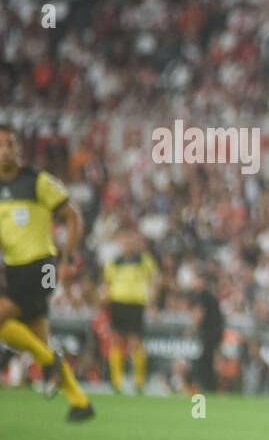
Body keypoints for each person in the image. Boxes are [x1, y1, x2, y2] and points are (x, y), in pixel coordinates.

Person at [0, 121, 94, 421]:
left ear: (19, 148)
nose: (5, 151)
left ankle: (47, 360)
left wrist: (67, 259)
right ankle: (80, 401)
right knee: (38, 338)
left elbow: (73, 216)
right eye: (0, 145)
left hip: (44, 267)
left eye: (10, 144)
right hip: (15, 271)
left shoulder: (37, 181)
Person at [102, 228, 158, 394]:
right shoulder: (114, 262)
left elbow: (154, 280)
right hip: (118, 303)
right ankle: (117, 381)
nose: (127, 244)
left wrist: (152, 303)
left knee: (135, 342)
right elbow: (107, 283)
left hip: (136, 304)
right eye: (125, 241)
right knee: (116, 340)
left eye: (130, 241)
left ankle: (139, 381)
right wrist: (104, 299)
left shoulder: (143, 260)